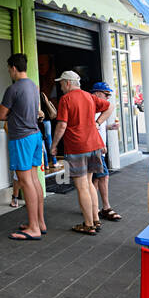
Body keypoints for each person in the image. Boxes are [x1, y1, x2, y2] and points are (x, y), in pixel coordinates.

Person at [49, 70, 109, 235]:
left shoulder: (66, 99)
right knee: (89, 183)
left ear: (68, 83)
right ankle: (95, 219)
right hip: (94, 145)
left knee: (82, 186)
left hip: (77, 147)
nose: (60, 87)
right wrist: (98, 123)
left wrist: (54, 145)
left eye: (61, 84)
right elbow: (109, 107)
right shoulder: (89, 96)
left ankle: (88, 224)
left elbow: (62, 125)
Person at [0, 53, 47, 241]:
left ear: (13, 68)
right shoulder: (33, 86)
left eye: (9, 69)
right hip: (35, 136)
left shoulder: (14, 88)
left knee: (26, 182)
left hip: (21, 138)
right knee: (33, 180)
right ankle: (39, 222)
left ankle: (33, 227)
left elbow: (1, 114)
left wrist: (11, 114)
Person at [89, 81, 120, 222]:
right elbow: (90, 128)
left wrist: (110, 127)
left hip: (97, 148)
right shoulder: (91, 107)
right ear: (96, 93)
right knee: (103, 176)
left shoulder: (99, 109)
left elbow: (97, 127)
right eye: (105, 94)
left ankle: (93, 207)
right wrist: (100, 144)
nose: (108, 98)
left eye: (109, 95)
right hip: (95, 148)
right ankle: (105, 207)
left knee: (95, 179)